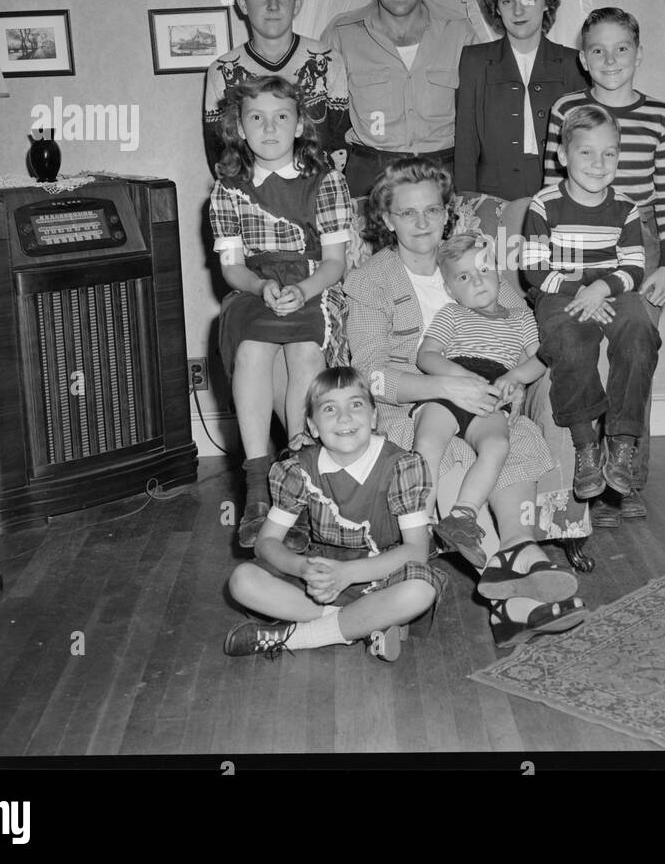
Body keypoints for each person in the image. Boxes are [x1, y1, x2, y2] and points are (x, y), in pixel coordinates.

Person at [344, 158, 587, 649]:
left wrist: (517, 381)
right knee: (450, 452)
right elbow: (369, 374)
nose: (421, 223)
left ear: (446, 213)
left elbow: (525, 335)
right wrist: (444, 388)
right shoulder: (372, 280)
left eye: (432, 210)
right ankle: (517, 602)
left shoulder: (472, 260)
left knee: (514, 441)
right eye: (407, 213)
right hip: (414, 403)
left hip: (489, 401)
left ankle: (519, 558)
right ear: (386, 218)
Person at [543, 6, 665, 525]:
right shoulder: (565, 110)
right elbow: (547, 186)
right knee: (574, 344)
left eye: (621, 48)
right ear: (582, 58)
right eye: (597, 50)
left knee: (634, 343)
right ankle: (588, 476)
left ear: (638, 53)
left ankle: (625, 479)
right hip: (573, 233)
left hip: (636, 237)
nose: (610, 59)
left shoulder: (660, 115)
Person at [208, 75, 353, 550]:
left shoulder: (326, 179)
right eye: (256, 118)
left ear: (298, 124)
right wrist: (264, 285)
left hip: (313, 282)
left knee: (305, 357)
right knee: (250, 349)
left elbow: (335, 262)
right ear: (239, 128)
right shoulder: (228, 188)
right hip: (255, 285)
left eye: (281, 117)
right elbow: (232, 269)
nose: (269, 129)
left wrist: (303, 290)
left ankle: (298, 478)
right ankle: (255, 483)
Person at [223, 367, 443, 663]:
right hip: (321, 573)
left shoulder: (402, 466)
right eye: (329, 408)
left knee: (419, 590)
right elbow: (266, 543)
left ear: (374, 417)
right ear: (312, 427)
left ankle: (298, 637)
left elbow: (416, 550)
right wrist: (303, 568)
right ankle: (362, 625)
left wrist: (348, 574)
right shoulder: (298, 470)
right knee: (242, 580)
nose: (344, 417)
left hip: (382, 572)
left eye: (356, 404)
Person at [523, 104, 662, 507]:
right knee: (567, 342)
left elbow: (634, 265)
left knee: (641, 331)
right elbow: (533, 269)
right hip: (558, 289)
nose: (599, 164)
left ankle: (621, 442)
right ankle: (586, 446)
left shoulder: (626, 208)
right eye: (586, 152)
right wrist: (577, 292)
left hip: (613, 287)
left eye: (610, 153)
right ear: (564, 156)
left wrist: (601, 288)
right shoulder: (544, 204)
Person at [413, 232, 548, 569]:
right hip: (448, 388)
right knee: (428, 440)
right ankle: (420, 524)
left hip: (492, 392)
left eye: (484, 270)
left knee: (497, 446)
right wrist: (457, 379)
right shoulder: (451, 314)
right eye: (463, 277)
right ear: (449, 289)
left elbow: (541, 358)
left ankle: (462, 517)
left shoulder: (521, 319)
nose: (477, 281)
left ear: (499, 274)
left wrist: (514, 377)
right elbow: (427, 356)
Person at [320, 0, 475, 197]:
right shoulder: (340, 34)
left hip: (443, 176)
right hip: (370, 177)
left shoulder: (459, 32)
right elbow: (324, 122)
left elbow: (477, 122)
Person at [203, 0, 350, 175]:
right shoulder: (221, 70)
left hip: (316, 193)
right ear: (242, 3)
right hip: (250, 198)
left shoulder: (329, 61)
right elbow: (220, 153)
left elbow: (340, 144)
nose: (273, 6)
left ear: (297, 3)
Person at [454, 0, 588, 203]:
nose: (518, 11)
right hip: (491, 198)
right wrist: (466, 208)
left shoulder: (574, 64)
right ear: (496, 7)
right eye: (507, 1)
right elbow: (466, 148)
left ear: (546, 2)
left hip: (560, 196)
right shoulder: (474, 61)